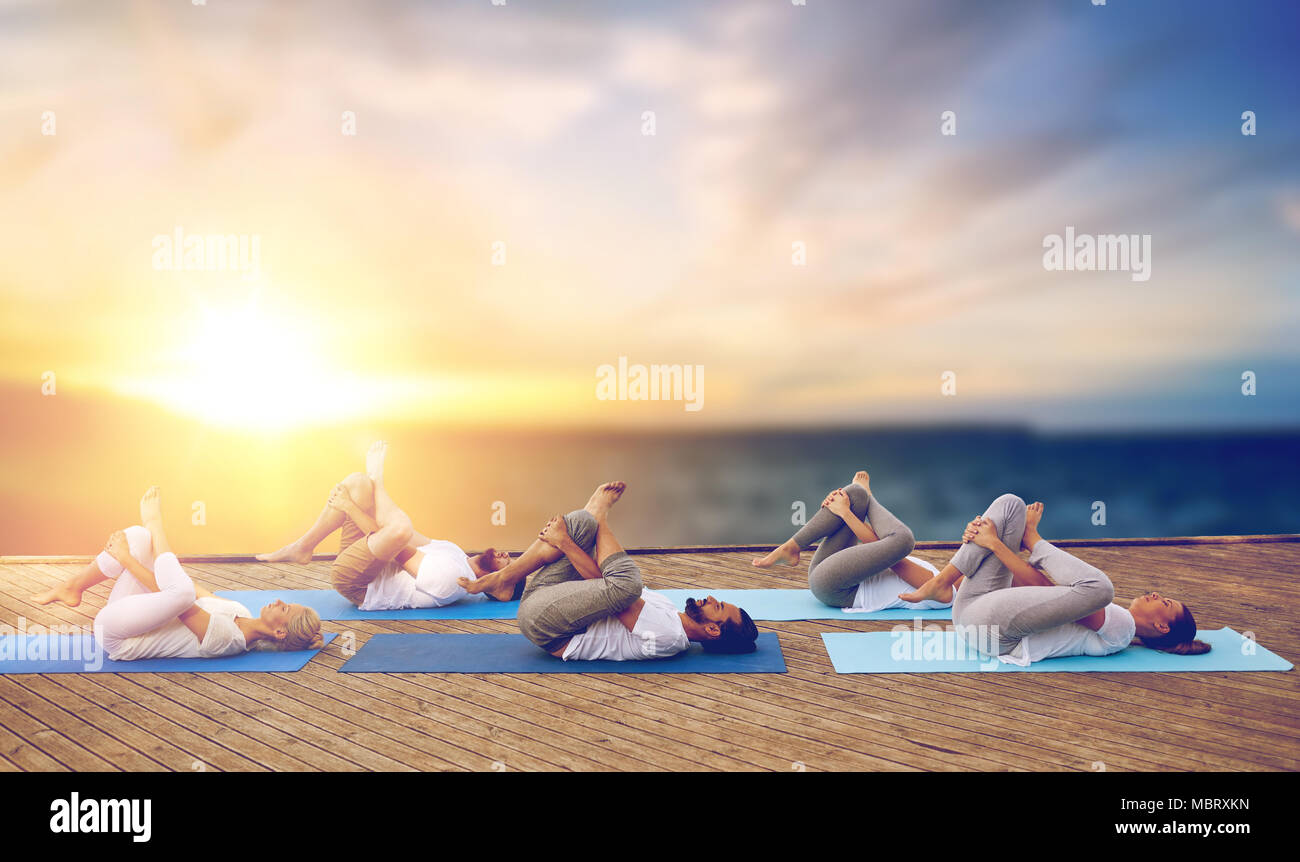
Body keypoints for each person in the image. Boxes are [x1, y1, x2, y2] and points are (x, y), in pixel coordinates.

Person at [899, 493, 1210, 665]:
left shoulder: (1121, 630)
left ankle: (1032, 540)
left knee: (1101, 589)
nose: (1155, 594)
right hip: (976, 610)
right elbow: (1031, 590)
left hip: (992, 634)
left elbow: (1042, 587)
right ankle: (944, 581)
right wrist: (986, 541)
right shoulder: (1116, 620)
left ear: (1162, 626)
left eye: (1165, 602)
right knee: (1010, 505)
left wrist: (997, 544)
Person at [463, 481, 759, 660]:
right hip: (552, 599)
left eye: (718, 606)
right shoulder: (667, 608)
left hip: (546, 626)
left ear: (712, 629)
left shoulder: (669, 636)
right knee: (581, 523)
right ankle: (506, 579)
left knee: (627, 584)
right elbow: (604, 586)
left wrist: (568, 543)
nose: (709, 598)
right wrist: (571, 539)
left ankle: (598, 513)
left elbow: (615, 589)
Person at [32, 487, 322, 661]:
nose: (277, 601)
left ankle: (155, 522)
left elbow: (177, 598)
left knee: (179, 593)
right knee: (138, 537)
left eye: (284, 608)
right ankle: (73, 586)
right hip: (133, 613)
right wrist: (132, 555)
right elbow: (191, 589)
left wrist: (125, 559)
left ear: (280, 631)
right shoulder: (239, 610)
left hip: (117, 635)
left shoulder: (229, 640)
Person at [257, 441, 510, 610]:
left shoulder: (454, 580)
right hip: (372, 553)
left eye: (507, 564)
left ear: (497, 584)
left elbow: (395, 541)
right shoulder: (455, 553)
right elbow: (391, 534)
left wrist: (351, 507)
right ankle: (303, 547)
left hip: (358, 583)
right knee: (358, 483)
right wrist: (355, 503)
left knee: (399, 529)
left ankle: (377, 478)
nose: (505, 555)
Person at [753, 470, 951, 611]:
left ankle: (867, 494)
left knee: (904, 541)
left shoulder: (944, 591)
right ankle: (792, 547)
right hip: (831, 570)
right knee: (856, 495)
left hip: (834, 587)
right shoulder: (938, 574)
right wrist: (846, 509)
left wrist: (845, 513)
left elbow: (890, 555)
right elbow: (878, 548)